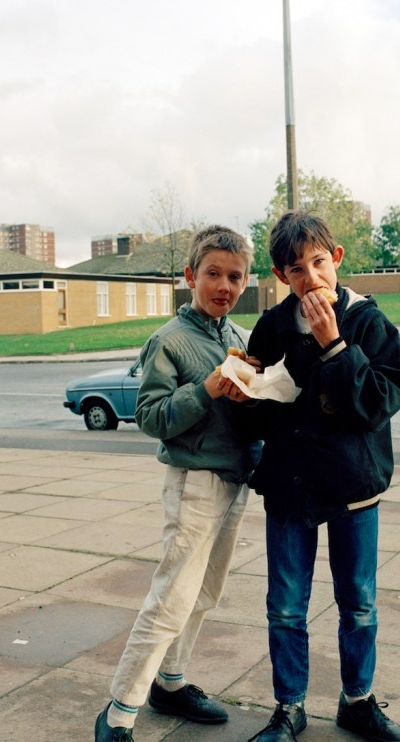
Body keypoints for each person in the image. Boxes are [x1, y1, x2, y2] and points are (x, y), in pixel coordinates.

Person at [244, 210, 400, 742]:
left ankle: (357, 702)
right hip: (291, 487)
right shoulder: (270, 328)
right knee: (286, 606)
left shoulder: (369, 323)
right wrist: (245, 386)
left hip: (353, 487)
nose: (310, 278)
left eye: (318, 262)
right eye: (296, 269)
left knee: (358, 603)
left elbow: (380, 402)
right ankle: (289, 707)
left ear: (336, 259)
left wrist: (335, 345)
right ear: (281, 276)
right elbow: (261, 416)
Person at [95, 225, 262, 742]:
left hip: (234, 481)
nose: (224, 286)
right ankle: (120, 711)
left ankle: (171, 682)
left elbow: (244, 416)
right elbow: (150, 417)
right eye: (213, 274)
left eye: (235, 277)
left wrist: (253, 395)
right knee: (170, 598)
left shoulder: (236, 338)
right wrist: (208, 388)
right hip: (194, 482)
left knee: (205, 593)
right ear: (190, 276)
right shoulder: (169, 340)